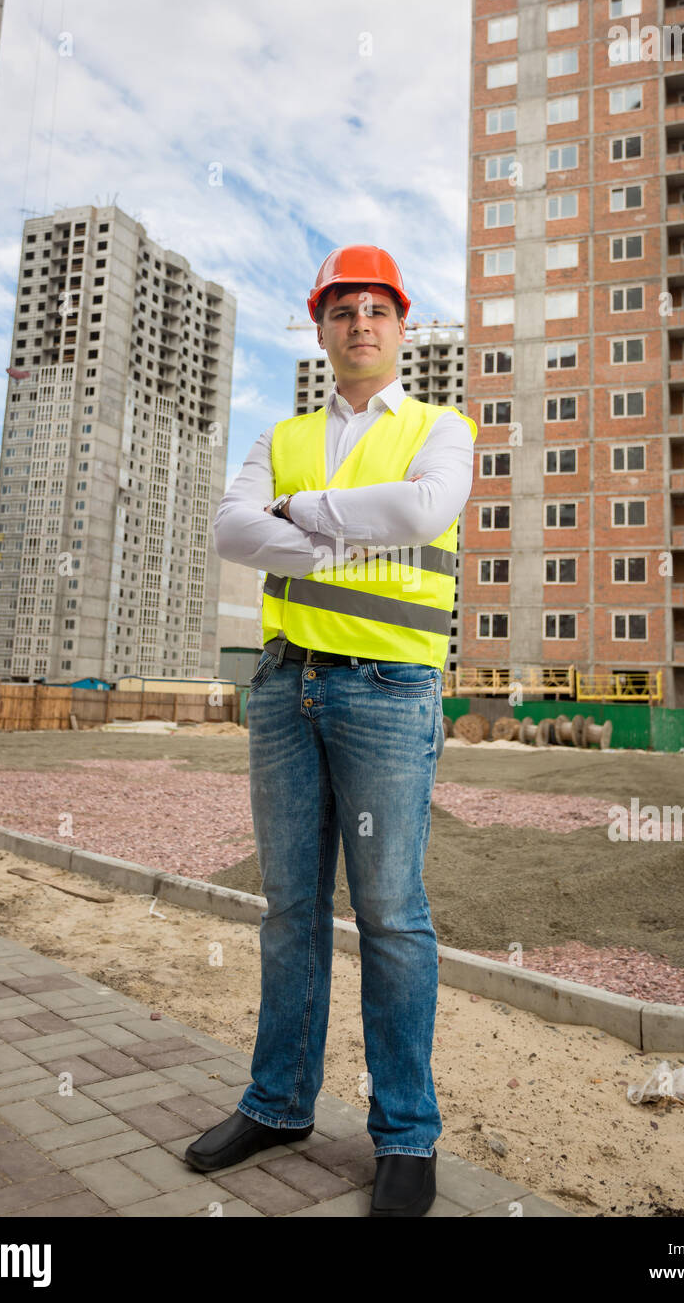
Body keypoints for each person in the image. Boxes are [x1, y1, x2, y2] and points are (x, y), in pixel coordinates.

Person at [185, 245, 476, 1217]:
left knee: (391, 915)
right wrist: (350, 525)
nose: (359, 323)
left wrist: (304, 514)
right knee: (290, 911)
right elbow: (229, 530)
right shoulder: (285, 431)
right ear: (319, 328)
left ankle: (405, 1135)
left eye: (376, 309)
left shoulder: (441, 427)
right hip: (282, 688)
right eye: (342, 309)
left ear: (400, 328)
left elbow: (424, 508)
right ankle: (277, 1105)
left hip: (390, 695)